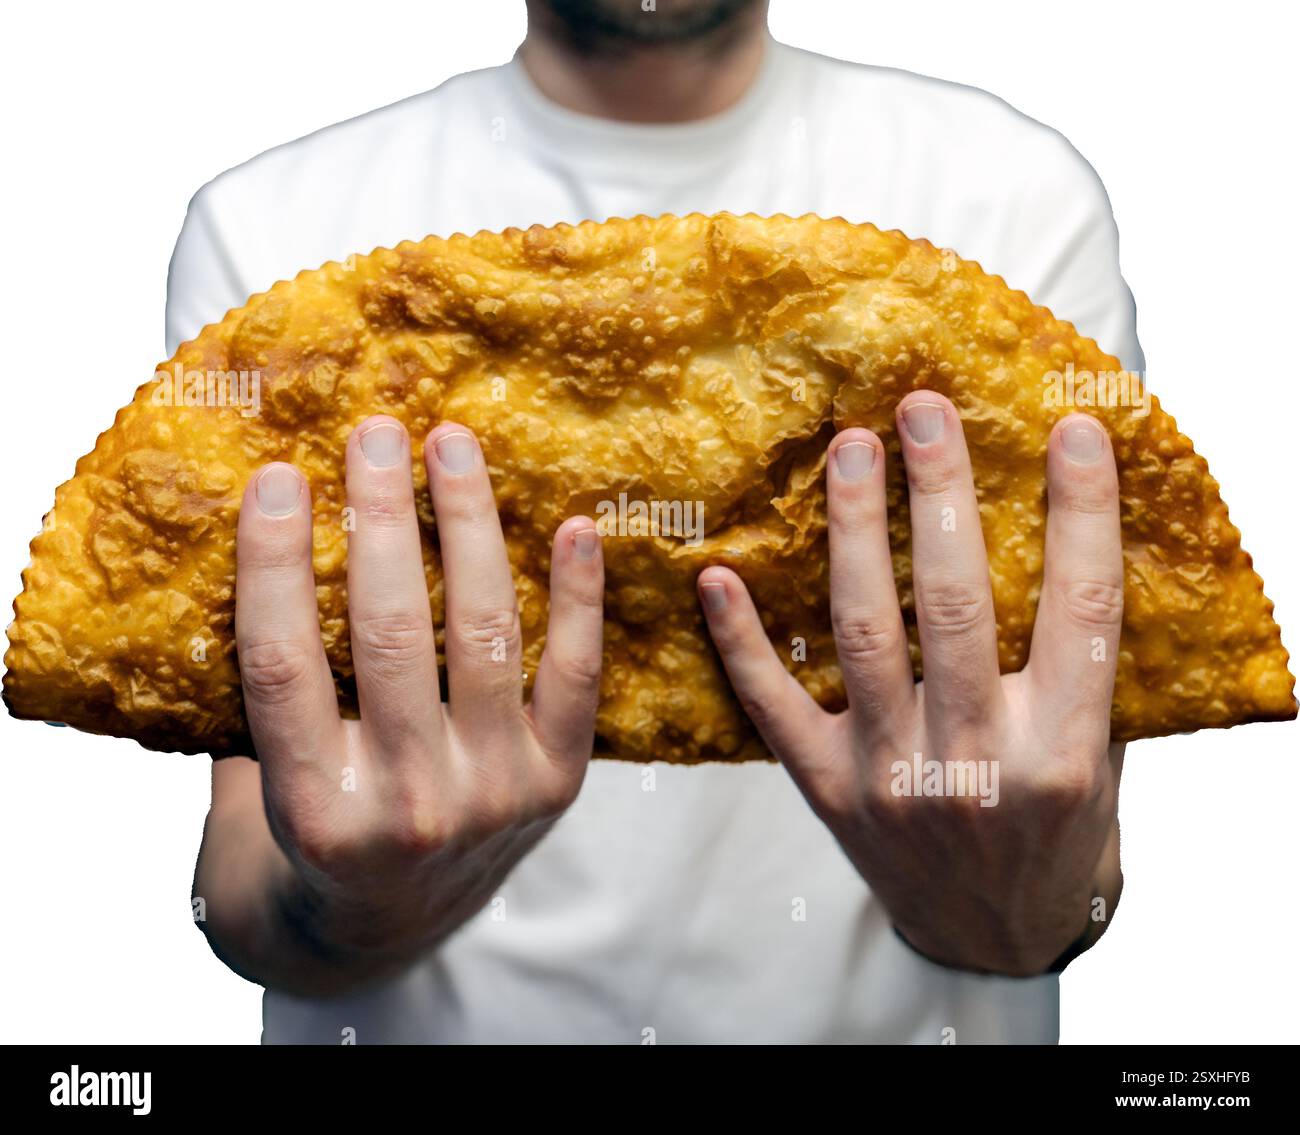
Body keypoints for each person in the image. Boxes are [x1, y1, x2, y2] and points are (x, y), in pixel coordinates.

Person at [178, 0, 1142, 1044]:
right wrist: (357, 896)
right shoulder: (277, 229)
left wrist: (996, 886)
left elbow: (1060, 886)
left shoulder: (1006, 198)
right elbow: (243, 881)